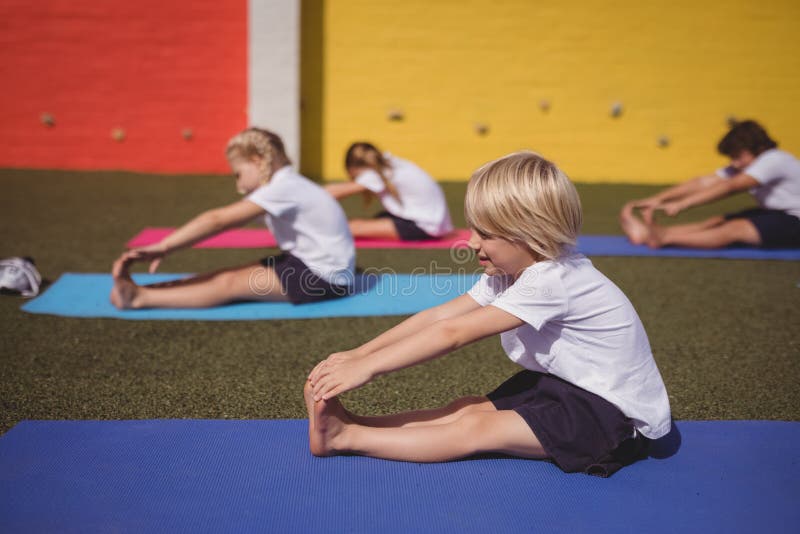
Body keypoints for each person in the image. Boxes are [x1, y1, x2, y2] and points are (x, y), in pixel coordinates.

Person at [305, 151, 671, 477]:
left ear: (531, 233)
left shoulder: (553, 280)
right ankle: (355, 424)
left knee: (476, 430)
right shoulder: (508, 273)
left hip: (610, 416)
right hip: (569, 384)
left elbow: (454, 334)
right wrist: (359, 354)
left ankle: (347, 438)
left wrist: (369, 368)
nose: (471, 242)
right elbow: (438, 317)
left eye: (487, 233)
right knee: (466, 409)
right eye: (473, 228)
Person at [110, 128, 355, 309]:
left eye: (238, 174)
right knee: (226, 274)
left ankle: (140, 298)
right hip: (309, 263)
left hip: (325, 277)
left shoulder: (284, 188)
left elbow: (218, 220)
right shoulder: (290, 184)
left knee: (229, 283)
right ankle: (145, 290)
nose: (238, 185)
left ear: (258, 162)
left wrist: (164, 247)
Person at [620, 120, 800, 249]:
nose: (735, 163)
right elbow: (703, 182)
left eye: (738, 156)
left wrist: (682, 204)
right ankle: (652, 233)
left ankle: (664, 237)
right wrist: (657, 199)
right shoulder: (753, 162)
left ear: (757, 148)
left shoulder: (774, 159)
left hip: (795, 220)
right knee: (717, 221)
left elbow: (731, 187)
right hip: (779, 214)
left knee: (735, 229)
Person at [324, 142, 454, 240]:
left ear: (353, 169)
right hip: (436, 222)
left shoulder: (373, 174)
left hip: (426, 227)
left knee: (348, 227)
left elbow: (330, 193)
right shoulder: (389, 163)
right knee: (374, 219)